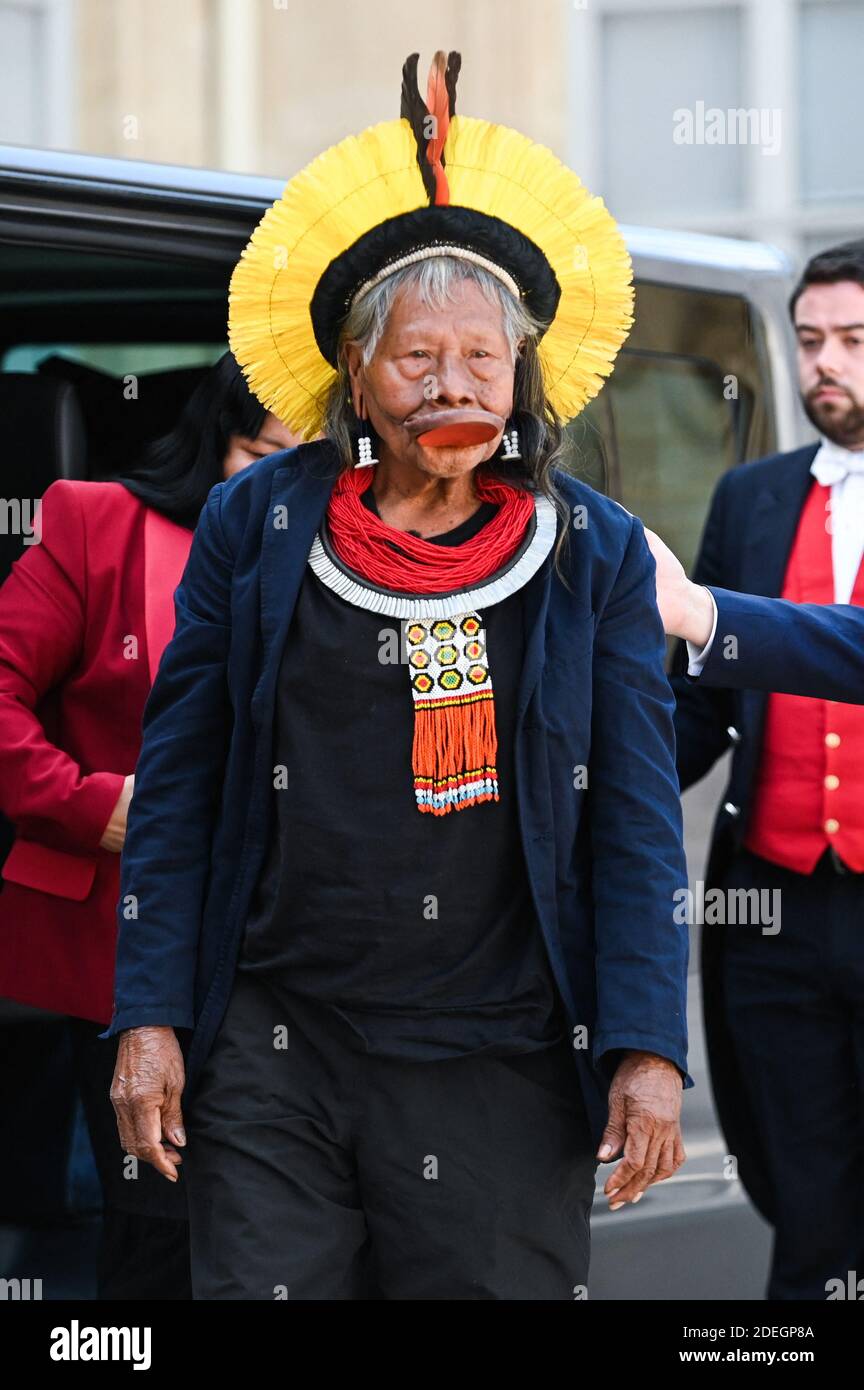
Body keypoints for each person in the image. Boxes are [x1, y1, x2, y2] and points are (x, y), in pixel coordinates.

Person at [105, 50, 692, 1302]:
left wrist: (648, 1045)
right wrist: (148, 1017)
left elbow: (638, 821)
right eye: (419, 359)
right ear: (356, 378)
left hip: (503, 1060)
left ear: (524, 376)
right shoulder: (256, 530)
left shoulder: (588, 552)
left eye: (486, 361)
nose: (455, 386)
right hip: (275, 1045)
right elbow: (178, 785)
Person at [0, 351, 299, 1299]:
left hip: (302, 957)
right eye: (263, 453)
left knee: (286, 1231)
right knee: (161, 1226)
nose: (283, 489)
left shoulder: (362, 555)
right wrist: (95, 806)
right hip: (133, 949)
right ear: (215, 440)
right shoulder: (99, 524)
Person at [654, 240, 864, 1299]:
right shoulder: (753, 497)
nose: (826, 364)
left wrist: (705, 612)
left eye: (854, 343)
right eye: (812, 340)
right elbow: (703, 702)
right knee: (804, 1198)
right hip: (774, 903)